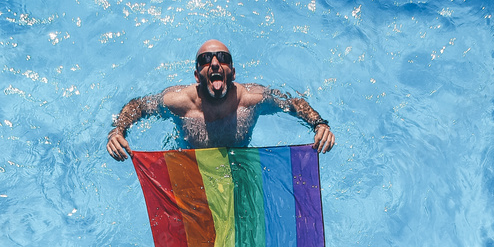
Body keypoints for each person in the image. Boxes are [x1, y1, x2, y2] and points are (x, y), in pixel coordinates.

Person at [106, 39, 335, 161]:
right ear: (197, 76)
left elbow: (293, 103)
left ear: (232, 73)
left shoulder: (251, 100)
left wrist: (319, 124)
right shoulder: (179, 103)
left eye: (222, 58)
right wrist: (117, 131)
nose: (214, 63)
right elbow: (139, 106)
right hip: (191, 165)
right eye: (206, 59)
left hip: (237, 166)